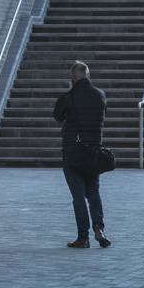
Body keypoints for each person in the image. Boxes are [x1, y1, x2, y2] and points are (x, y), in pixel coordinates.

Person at [53, 61, 110, 249]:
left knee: (78, 194)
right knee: (93, 190)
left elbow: (58, 116)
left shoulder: (68, 97)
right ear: (88, 75)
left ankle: (83, 237)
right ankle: (99, 228)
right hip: (94, 150)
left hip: (73, 150)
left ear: (72, 78)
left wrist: (71, 91)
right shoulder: (100, 95)